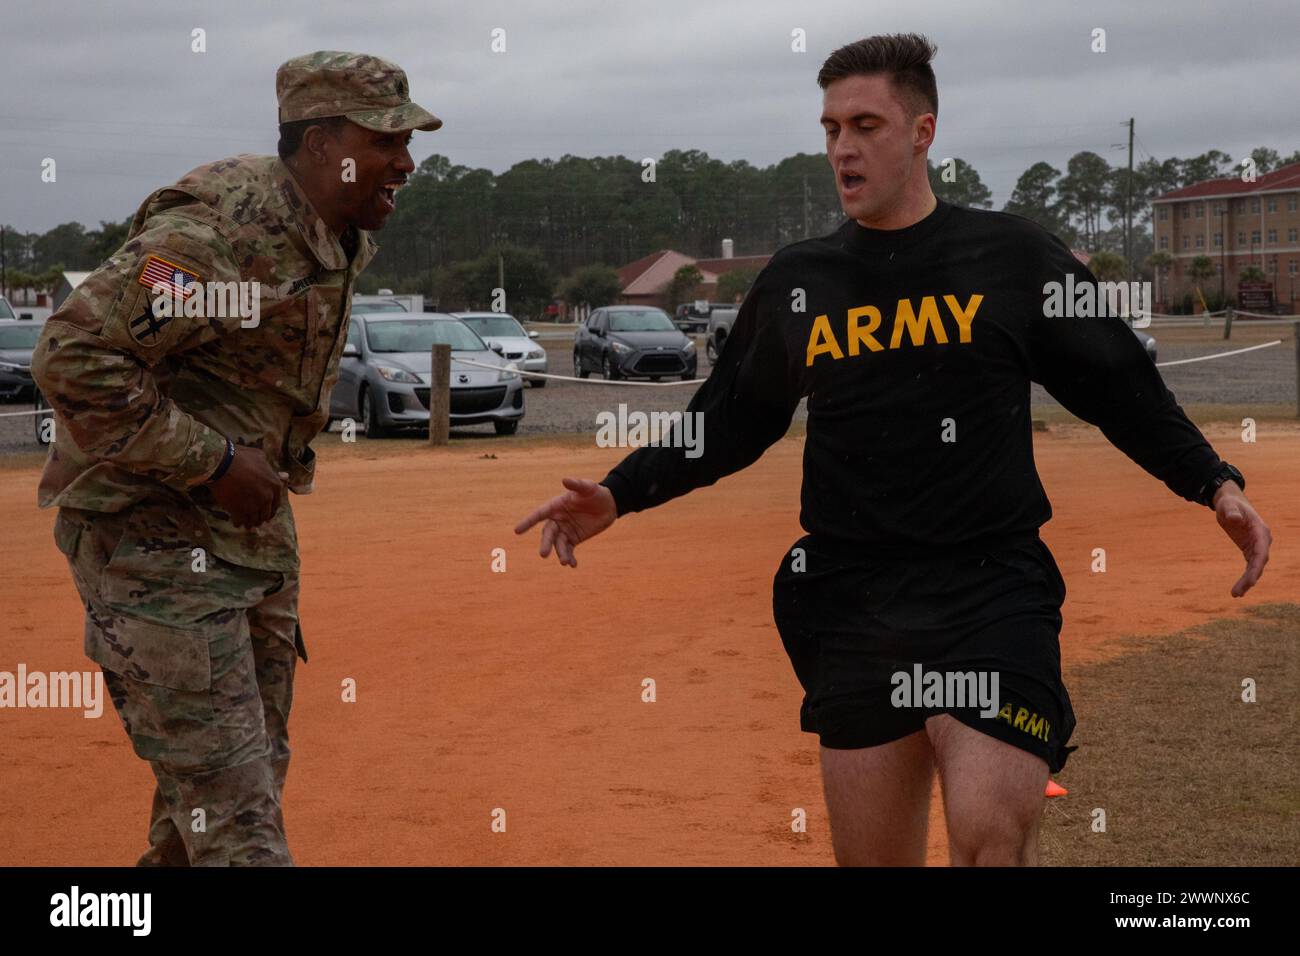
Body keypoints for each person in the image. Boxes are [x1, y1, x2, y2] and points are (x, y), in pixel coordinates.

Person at [514, 33, 1272, 866]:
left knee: (989, 837)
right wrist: (620, 493)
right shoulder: (804, 280)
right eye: (831, 127)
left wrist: (1212, 481)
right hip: (853, 598)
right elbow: (731, 418)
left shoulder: (1011, 257)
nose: (842, 147)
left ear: (922, 131)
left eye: (865, 124)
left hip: (991, 591)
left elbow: (1117, 383)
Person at [32, 51, 441, 866]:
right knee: (239, 828)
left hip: (249, 547)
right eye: (388, 137)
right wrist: (214, 462)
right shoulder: (217, 233)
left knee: (211, 817)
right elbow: (72, 358)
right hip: (151, 548)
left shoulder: (335, 232)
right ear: (323, 142)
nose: (405, 160)